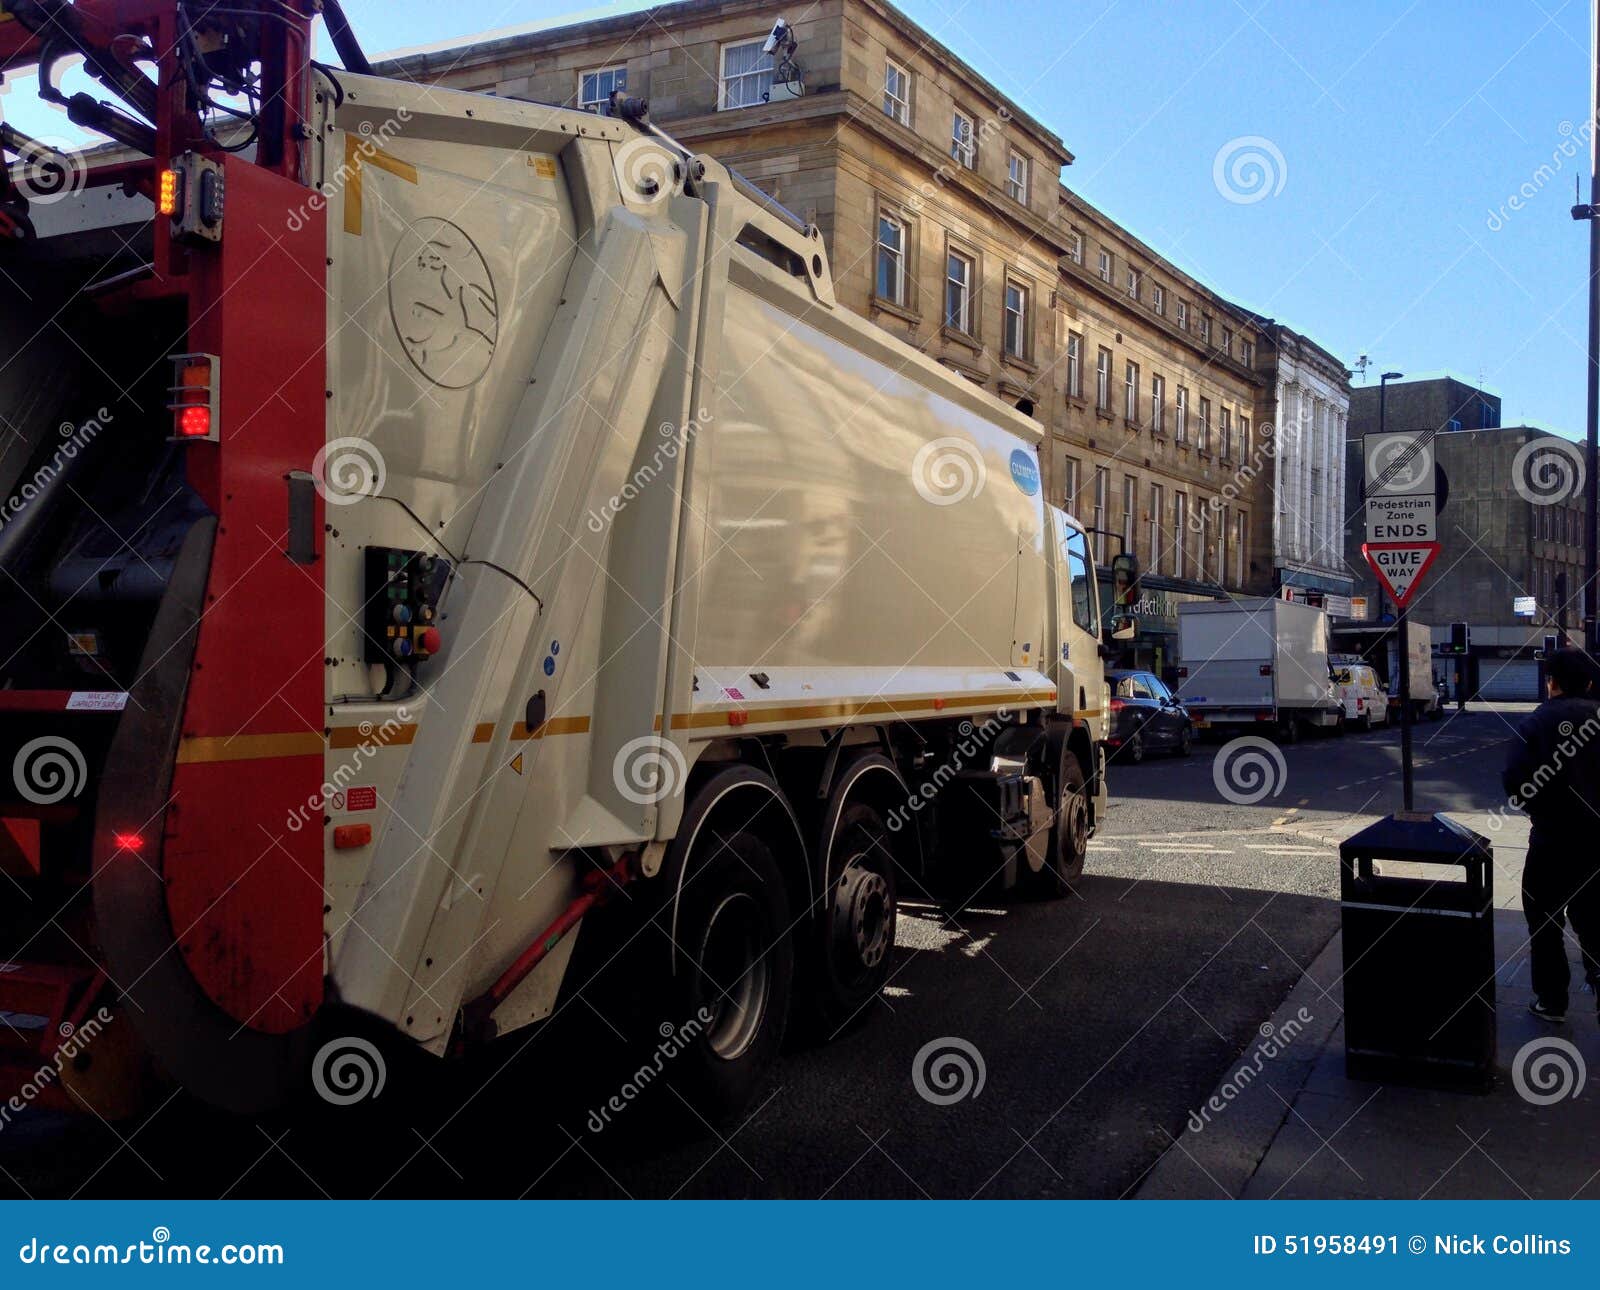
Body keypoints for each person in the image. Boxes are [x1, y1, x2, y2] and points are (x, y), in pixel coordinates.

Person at [1502, 648, 1600, 1022]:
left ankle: (1552, 1000)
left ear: (1552, 683)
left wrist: (1541, 810)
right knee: (1594, 919)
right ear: (1589, 683)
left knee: (1544, 922)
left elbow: (1515, 782)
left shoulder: (1536, 724)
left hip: (1552, 842)